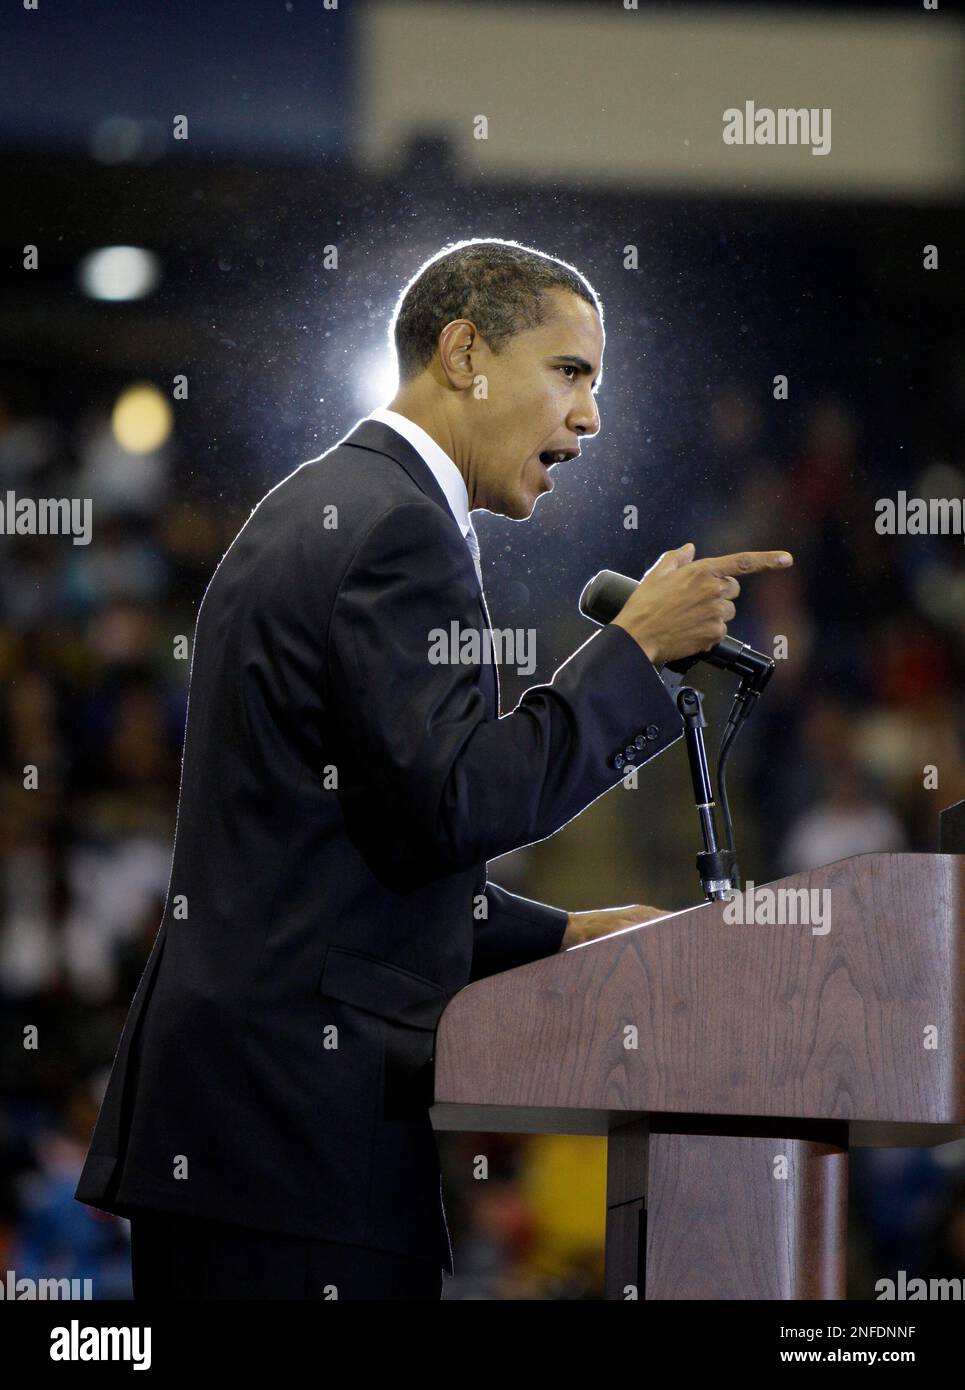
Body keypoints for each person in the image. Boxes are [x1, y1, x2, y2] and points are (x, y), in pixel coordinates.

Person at [74, 237, 792, 1299]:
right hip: (292, 1141)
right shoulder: (397, 530)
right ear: (463, 353)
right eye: (569, 372)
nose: (589, 418)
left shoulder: (333, 504)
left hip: (246, 1136)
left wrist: (560, 935)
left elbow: (365, 842)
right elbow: (461, 800)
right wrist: (632, 651)